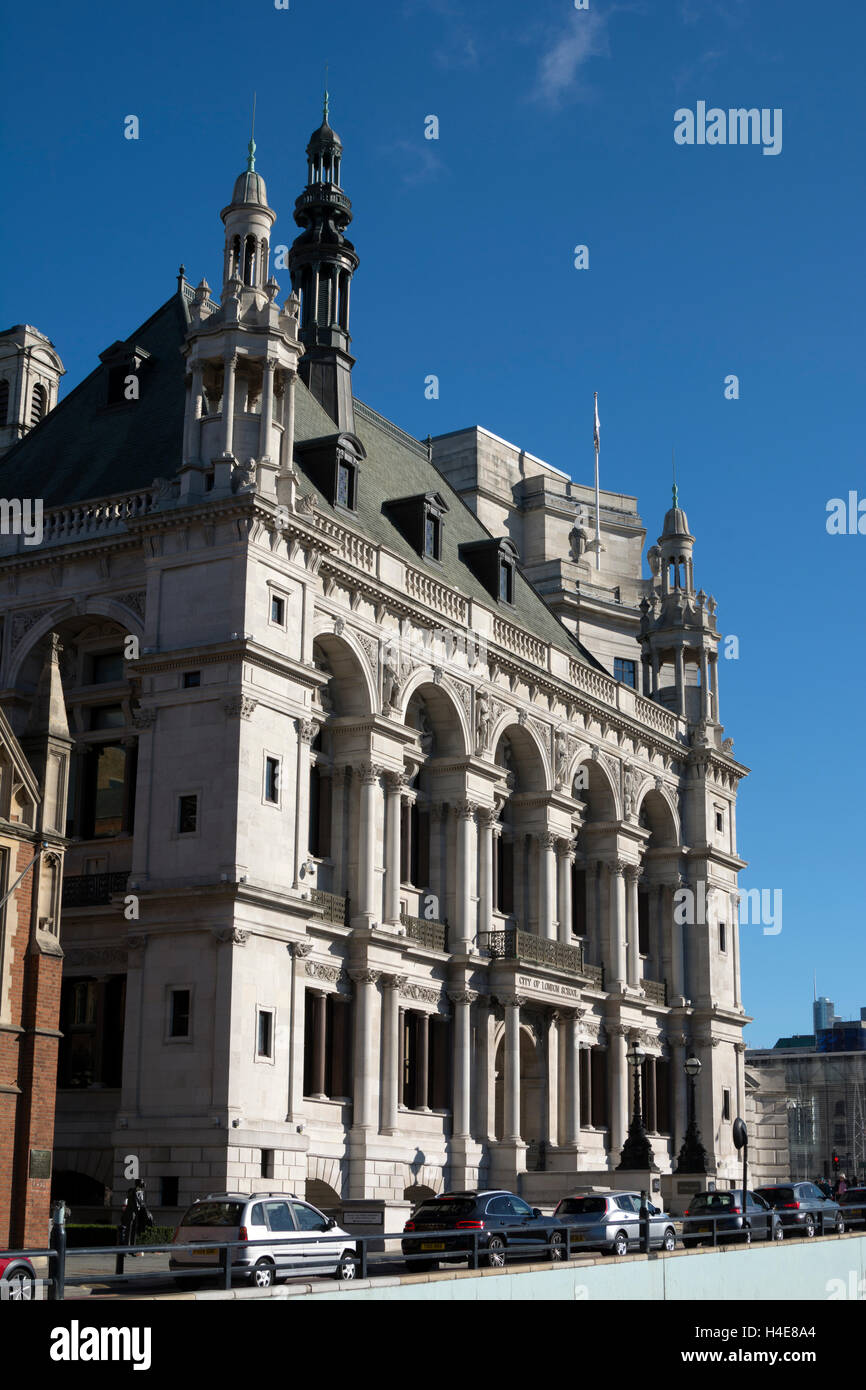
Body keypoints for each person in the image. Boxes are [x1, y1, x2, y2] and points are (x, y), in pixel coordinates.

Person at [119, 1180, 153, 1256]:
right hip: (130, 1214)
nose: (142, 1187)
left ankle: (131, 1250)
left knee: (134, 1232)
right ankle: (125, 1251)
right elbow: (134, 1204)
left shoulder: (140, 1193)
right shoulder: (132, 1192)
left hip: (136, 1214)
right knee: (128, 1232)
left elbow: (141, 1204)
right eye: (141, 1184)